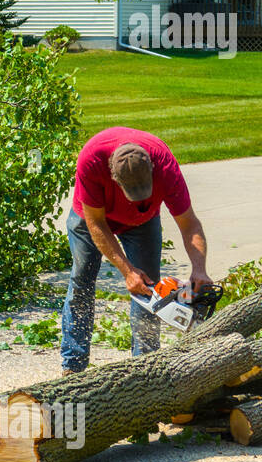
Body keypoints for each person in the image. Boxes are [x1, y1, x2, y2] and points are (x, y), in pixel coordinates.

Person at [62, 127, 212, 374]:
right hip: (90, 220)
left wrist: (199, 269)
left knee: (150, 292)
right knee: (82, 280)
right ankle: (73, 366)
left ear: (153, 170)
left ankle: (145, 368)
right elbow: (96, 224)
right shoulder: (91, 160)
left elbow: (189, 223)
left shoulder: (165, 166)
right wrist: (127, 270)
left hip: (143, 221)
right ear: (113, 177)